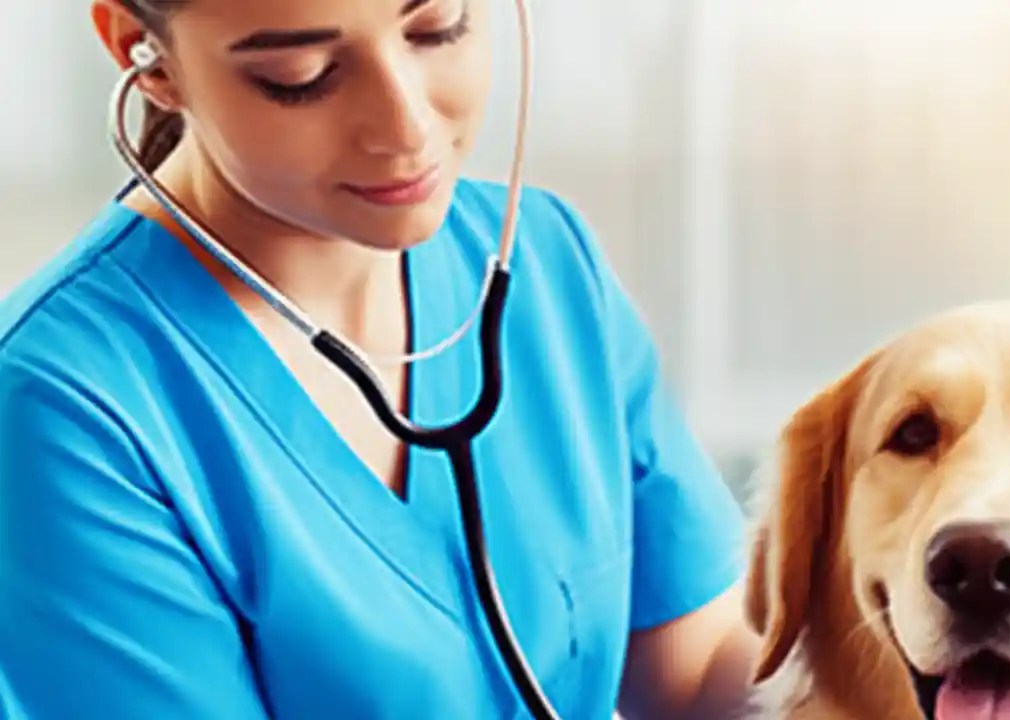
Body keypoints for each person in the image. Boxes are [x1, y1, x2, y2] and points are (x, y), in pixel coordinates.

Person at [0, 1, 762, 717]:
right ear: (146, 54)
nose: (405, 127)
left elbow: (696, 666)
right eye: (300, 77)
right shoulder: (62, 408)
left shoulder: (546, 261)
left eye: (437, 27)